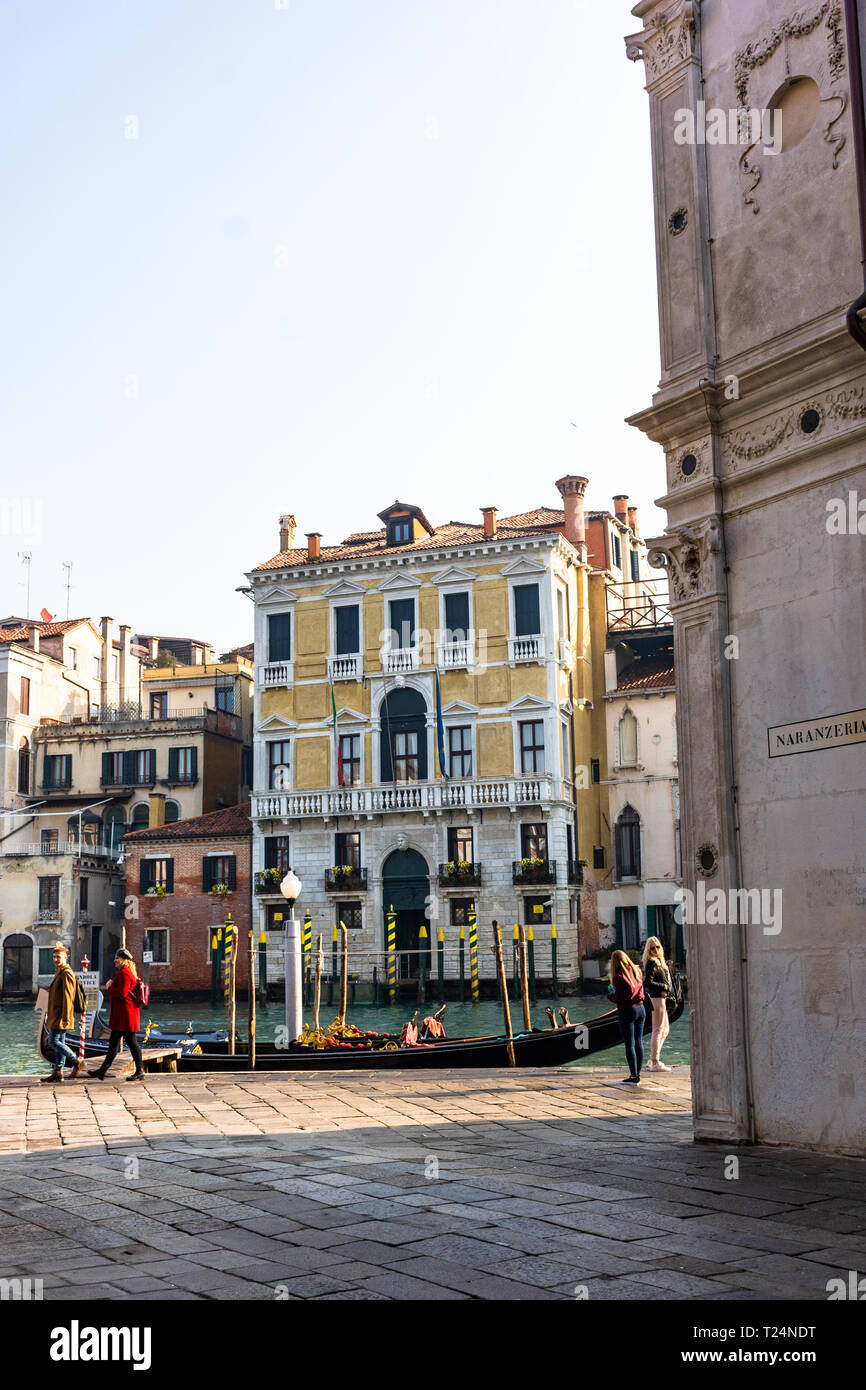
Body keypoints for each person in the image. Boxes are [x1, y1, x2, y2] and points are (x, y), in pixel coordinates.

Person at [88, 948, 144, 1082]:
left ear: (123, 960)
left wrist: (109, 987)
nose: (115, 960)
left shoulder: (125, 973)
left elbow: (122, 993)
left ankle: (140, 1071)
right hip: (123, 1015)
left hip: (125, 1015)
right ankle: (102, 1071)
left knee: (132, 1043)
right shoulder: (126, 972)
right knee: (113, 1043)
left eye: (117, 958)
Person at [41, 943, 85, 1082]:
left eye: (58, 957)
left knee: (53, 1041)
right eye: (54, 957)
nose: (56, 959)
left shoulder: (66, 972)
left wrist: (66, 1017)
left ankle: (76, 1060)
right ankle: (58, 1071)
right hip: (57, 1013)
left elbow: (68, 996)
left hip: (61, 1014)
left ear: (65, 957)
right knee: (60, 1041)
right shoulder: (60, 971)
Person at [608, 948, 646, 1084]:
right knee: (639, 1042)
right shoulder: (637, 970)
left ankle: (634, 1076)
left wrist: (610, 993)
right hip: (641, 1009)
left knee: (629, 1044)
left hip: (628, 1011)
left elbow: (620, 998)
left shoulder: (618, 977)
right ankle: (637, 1074)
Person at [642, 935, 673, 1072]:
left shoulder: (660, 962)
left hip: (661, 998)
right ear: (649, 950)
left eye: (657, 947)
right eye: (652, 948)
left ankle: (652, 1059)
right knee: (658, 1029)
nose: (655, 949)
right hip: (657, 998)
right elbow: (647, 982)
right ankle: (655, 1062)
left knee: (665, 1029)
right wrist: (664, 986)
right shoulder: (652, 962)